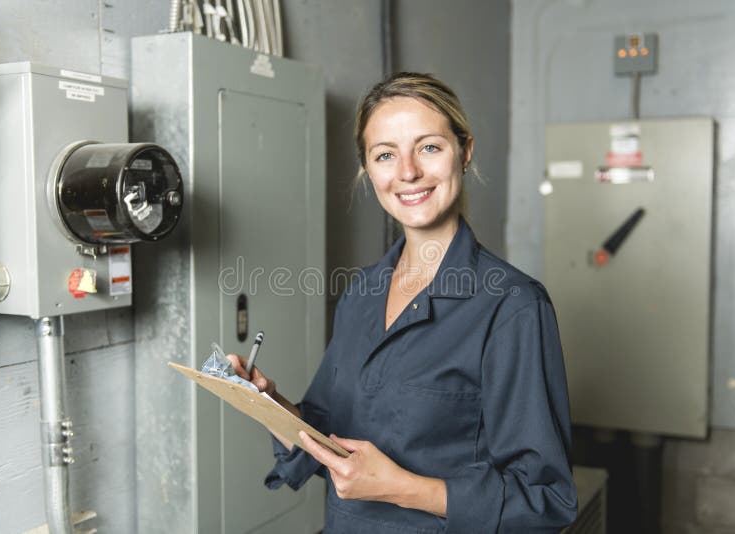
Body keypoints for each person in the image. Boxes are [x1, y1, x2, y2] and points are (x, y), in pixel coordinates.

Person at [228, 72, 577, 533]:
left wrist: (400, 487)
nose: (407, 172)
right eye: (385, 155)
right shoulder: (362, 291)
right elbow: (330, 433)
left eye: (429, 147)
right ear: (368, 170)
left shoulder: (511, 307)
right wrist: (269, 404)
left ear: (465, 152)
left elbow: (547, 500)